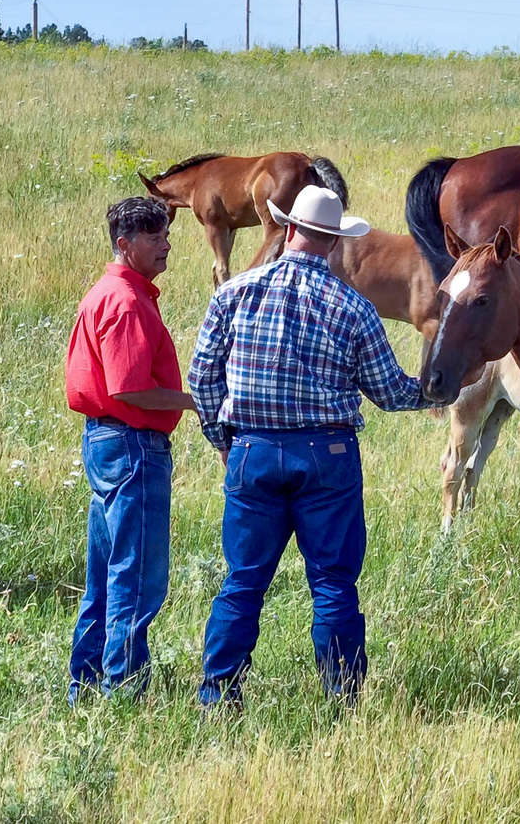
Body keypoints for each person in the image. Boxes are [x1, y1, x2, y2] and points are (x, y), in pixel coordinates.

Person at [188, 185, 436, 708]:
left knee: (243, 581)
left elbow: (203, 376)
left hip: (252, 451)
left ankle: (218, 694)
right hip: (328, 457)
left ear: (289, 228)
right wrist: (435, 389)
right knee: (333, 583)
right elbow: (389, 392)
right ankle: (342, 696)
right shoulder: (354, 307)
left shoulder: (236, 292)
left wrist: (224, 442)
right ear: (330, 242)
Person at [64, 197, 195, 703]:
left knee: (106, 571)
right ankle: (123, 690)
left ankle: (87, 683)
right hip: (132, 443)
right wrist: (197, 401)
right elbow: (129, 388)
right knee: (137, 576)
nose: (166, 244)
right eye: (154, 236)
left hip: (108, 441)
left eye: (166, 234)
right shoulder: (125, 301)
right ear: (125, 243)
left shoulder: (109, 293)